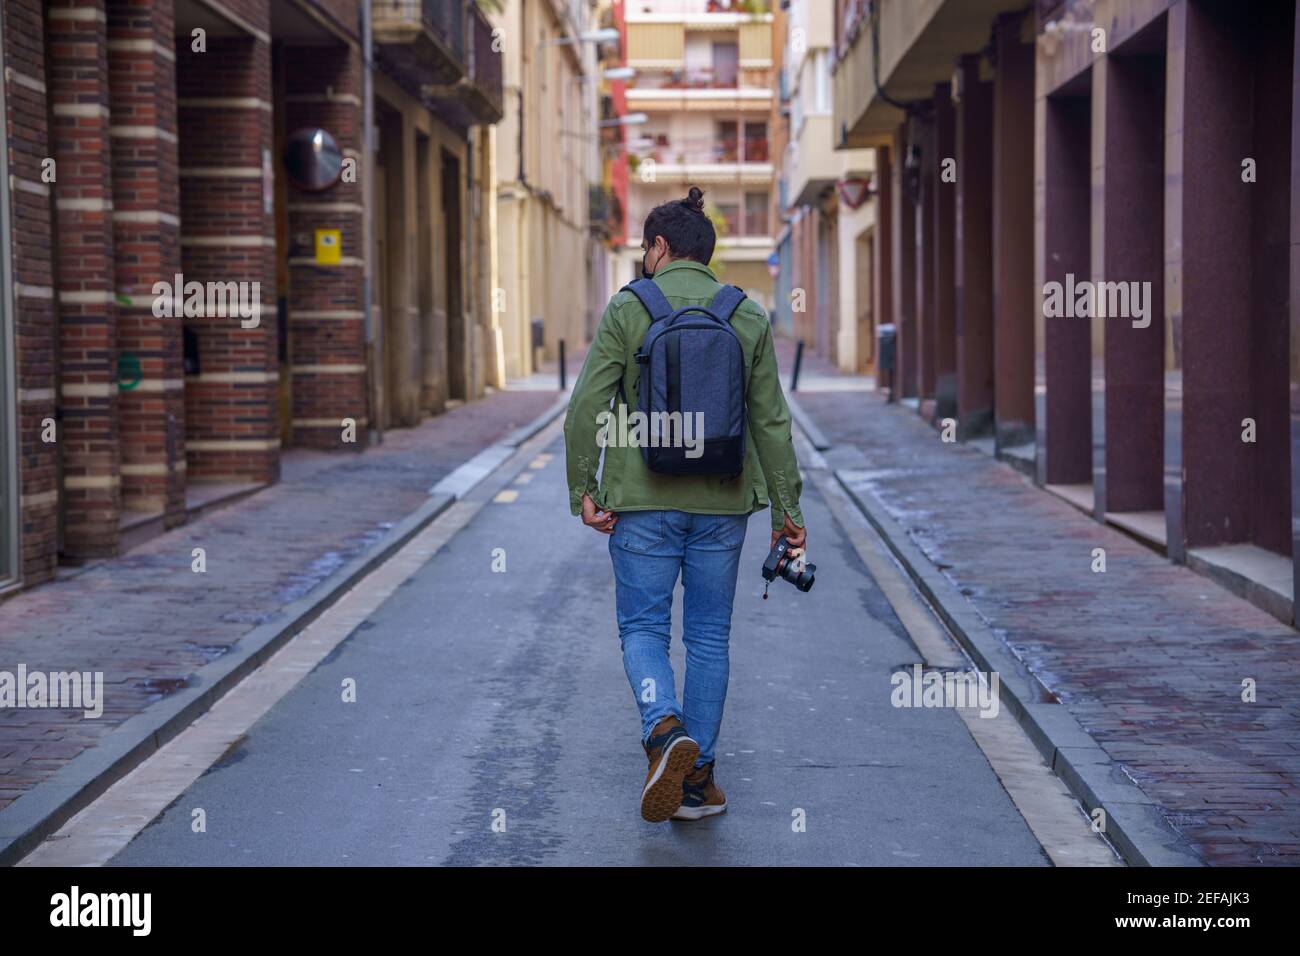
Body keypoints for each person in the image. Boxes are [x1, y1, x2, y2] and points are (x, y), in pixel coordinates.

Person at [563, 185, 806, 823]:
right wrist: (788, 512)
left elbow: (587, 407)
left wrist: (583, 489)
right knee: (707, 637)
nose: (645, 258)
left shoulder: (628, 310)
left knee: (643, 629)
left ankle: (663, 732)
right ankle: (697, 781)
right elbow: (772, 424)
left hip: (640, 503)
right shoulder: (746, 316)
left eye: (647, 249)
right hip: (724, 506)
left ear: (661, 247)